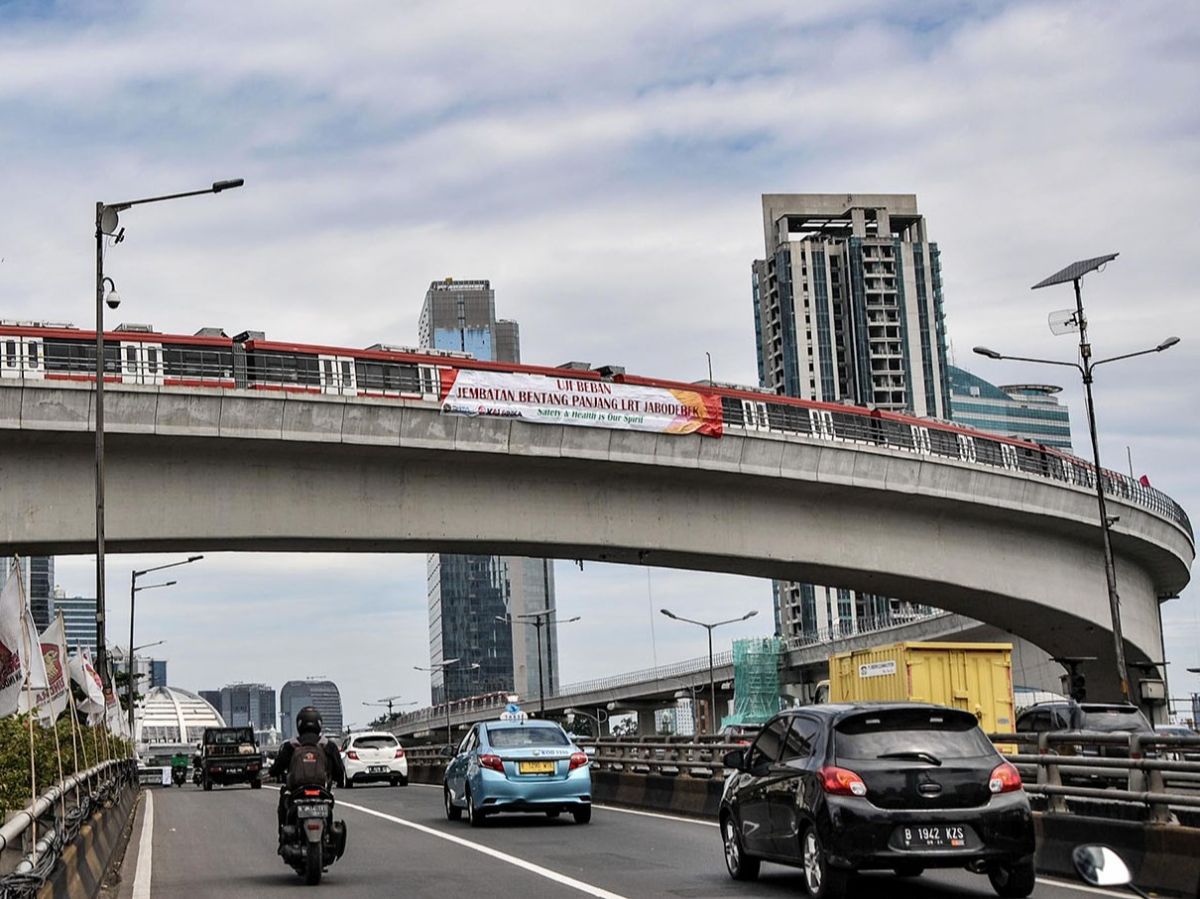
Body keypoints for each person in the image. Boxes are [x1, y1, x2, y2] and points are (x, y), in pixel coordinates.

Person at [269, 706, 345, 840]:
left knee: (283, 802)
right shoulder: (328, 746)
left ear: (299, 724)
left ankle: (283, 835)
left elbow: (276, 769)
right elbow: (340, 772)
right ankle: (327, 835)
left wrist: (274, 773)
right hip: (322, 792)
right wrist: (338, 780)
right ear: (319, 724)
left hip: (296, 792)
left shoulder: (290, 746)